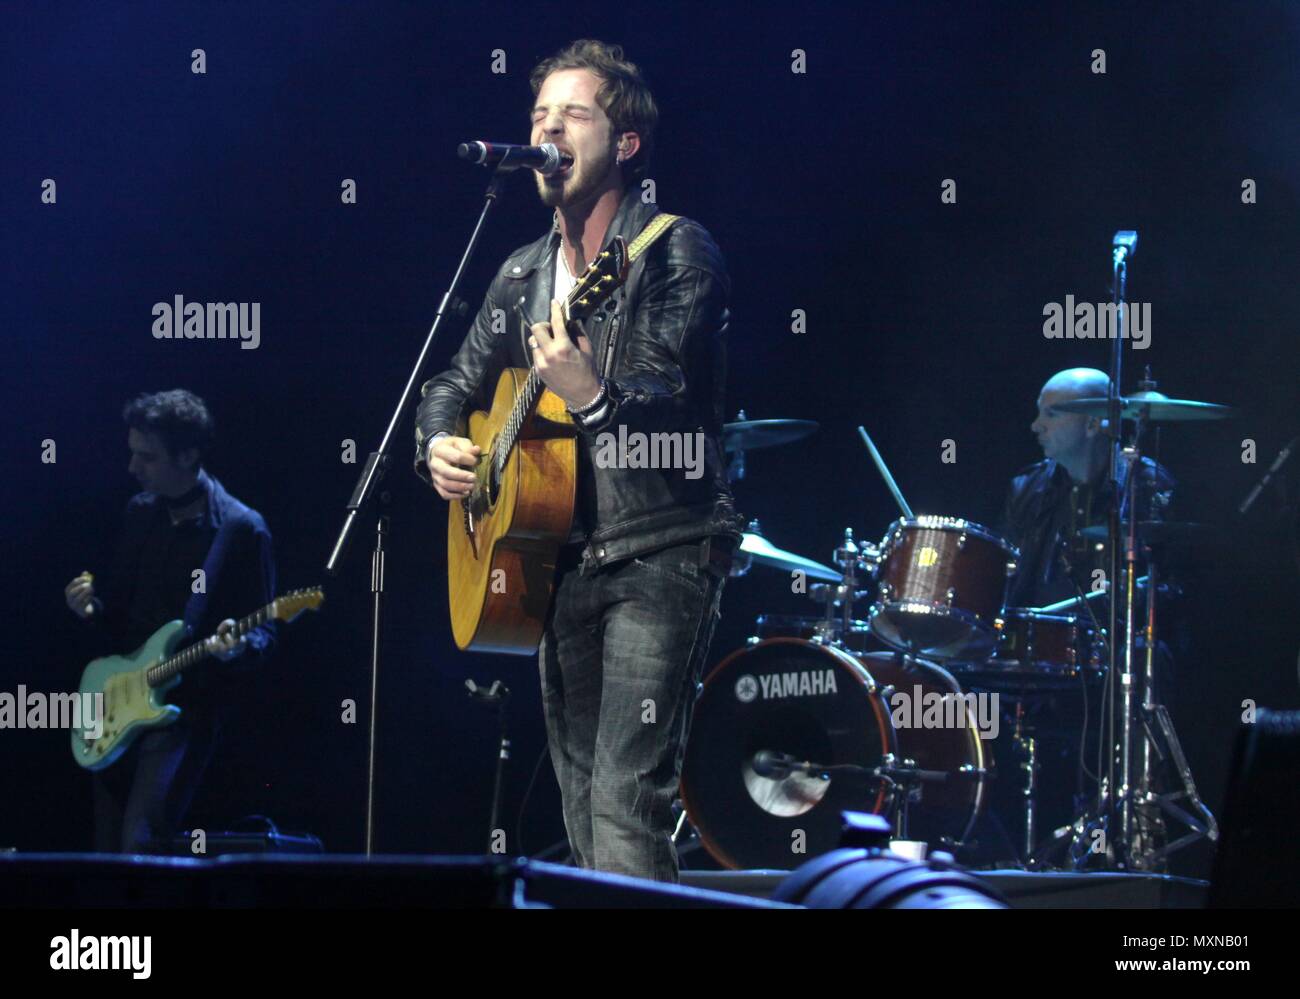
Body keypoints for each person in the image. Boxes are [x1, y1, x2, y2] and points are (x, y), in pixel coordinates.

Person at [414, 39, 743, 881]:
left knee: (625, 795)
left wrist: (592, 394)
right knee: (578, 800)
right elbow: (453, 377)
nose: (547, 129)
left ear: (625, 143)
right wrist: (440, 442)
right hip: (554, 560)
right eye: (537, 116)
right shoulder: (523, 271)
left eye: (572, 115)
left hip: (660, 545)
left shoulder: (675, 248)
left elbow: (665, 386)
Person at [64, 389, 277, 853]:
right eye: (133, 454)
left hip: (185, 710)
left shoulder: (241, 529)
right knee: (104, 849)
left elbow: (264, 631)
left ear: (189, 454)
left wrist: (238, 645)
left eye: (148, 457)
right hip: (118, 701)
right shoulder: (139, 513)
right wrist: (90, 608)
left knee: (139, 844)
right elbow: (118, 609)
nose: (132, 468)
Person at [1002, 367, 1174, 609]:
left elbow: (1177, 587)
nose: (1035, 425)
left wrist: (1139, 595)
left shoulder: (1147, 484)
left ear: (1092, 423)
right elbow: (1004, 573)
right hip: (1037, 641)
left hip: (1113, 640)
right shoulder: (1028, 486)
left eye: (1050, 414)